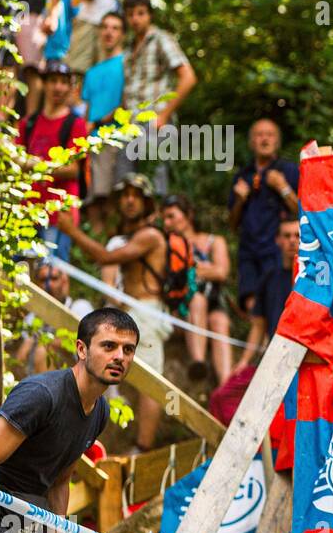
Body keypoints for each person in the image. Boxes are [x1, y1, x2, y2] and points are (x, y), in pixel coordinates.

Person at [0, 307, 138, 533]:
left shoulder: (100, 411)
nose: (119, 357)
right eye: (108, 346)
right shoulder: (43, 394)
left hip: (28, 511)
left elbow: (60, 481)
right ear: (81, 349)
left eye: (128, 349)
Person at [58, 173, 169, 453]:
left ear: (147, 203)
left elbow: (106, 258)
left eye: (136, 195)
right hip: (132, 313)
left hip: (148, 313)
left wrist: (72, 232)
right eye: (125, 195)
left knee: (151, 383)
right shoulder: (131, 236)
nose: (129, 201)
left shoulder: (150, 235)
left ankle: (143, 448)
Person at [121, 0, 196, 194]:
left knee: (154, 182)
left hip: (154, 120)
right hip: (130, 123)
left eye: (140, 13)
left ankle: (158, 224)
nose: (135, 19)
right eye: (130, 14)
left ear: (150, 15)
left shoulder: (161, 39)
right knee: (127, 184)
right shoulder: (128, 47)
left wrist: (164, 114)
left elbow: (188, 77)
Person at [16, 61, 91, 263]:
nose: (58, 87)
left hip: (59, 215)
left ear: (69, 87)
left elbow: (74, 169)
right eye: (53, 81)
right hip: (28, 211)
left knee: (52, 275)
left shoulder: (75, 124)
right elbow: (16, 159)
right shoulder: (28, 123)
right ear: (45, 84)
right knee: (22, 273)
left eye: (63, 82)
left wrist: (35, 164)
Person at [228, 118, 298, 313]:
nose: (264, 139)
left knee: (277, 302)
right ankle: (259, 344)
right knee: (251, 304)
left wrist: (283, 188)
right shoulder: (243, 175)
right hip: (249, 250)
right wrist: (240, 200)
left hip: (278, 250)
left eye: (270, 135)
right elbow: (232, 225)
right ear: (252, 142)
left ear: (277, 141)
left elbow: (304, 213)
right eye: (259, 135)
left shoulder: (289, 171)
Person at [162, 195, 233, 385]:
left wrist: (188, 269)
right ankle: (198, 362)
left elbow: (221, 272)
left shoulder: (213, 241)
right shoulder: (165, 244)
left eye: (171, 216)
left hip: (214, 302)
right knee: (197, 301)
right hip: (182, 306)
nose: (167, 223)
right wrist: (201, 269)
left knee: (218, 321)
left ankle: (225, 384)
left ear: (188, 215)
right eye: (164, 218)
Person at [232, 217, 299, 372]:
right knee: (223, 395)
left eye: (297, 235)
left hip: (303, 358)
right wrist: (244, 361)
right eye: (287, 235)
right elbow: (258, 325)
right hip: (273, 356)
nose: (292, 241)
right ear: (278, 240)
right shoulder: (268, 278)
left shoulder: (313, 278)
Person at [78, 11, 127, 215]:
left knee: (112, 200)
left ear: (123, 34)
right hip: (91, 142)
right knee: (92, 203)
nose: (109, 32)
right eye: (105, 27)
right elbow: (86, 108)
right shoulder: (91, 72)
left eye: (115, 28)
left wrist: (100, 122)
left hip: (116, 140)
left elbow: (128, 102)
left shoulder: (127, 63)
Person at [15, 261, 95, 374]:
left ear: (64, 281)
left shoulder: (79, 308)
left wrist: (41, 341)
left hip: (78, 378)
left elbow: (90, 346)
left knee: (43, 351)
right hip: (42, 377)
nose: (49, 285)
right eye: (43, 280)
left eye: (54, 278)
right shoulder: (32, 318)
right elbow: (20, 360)